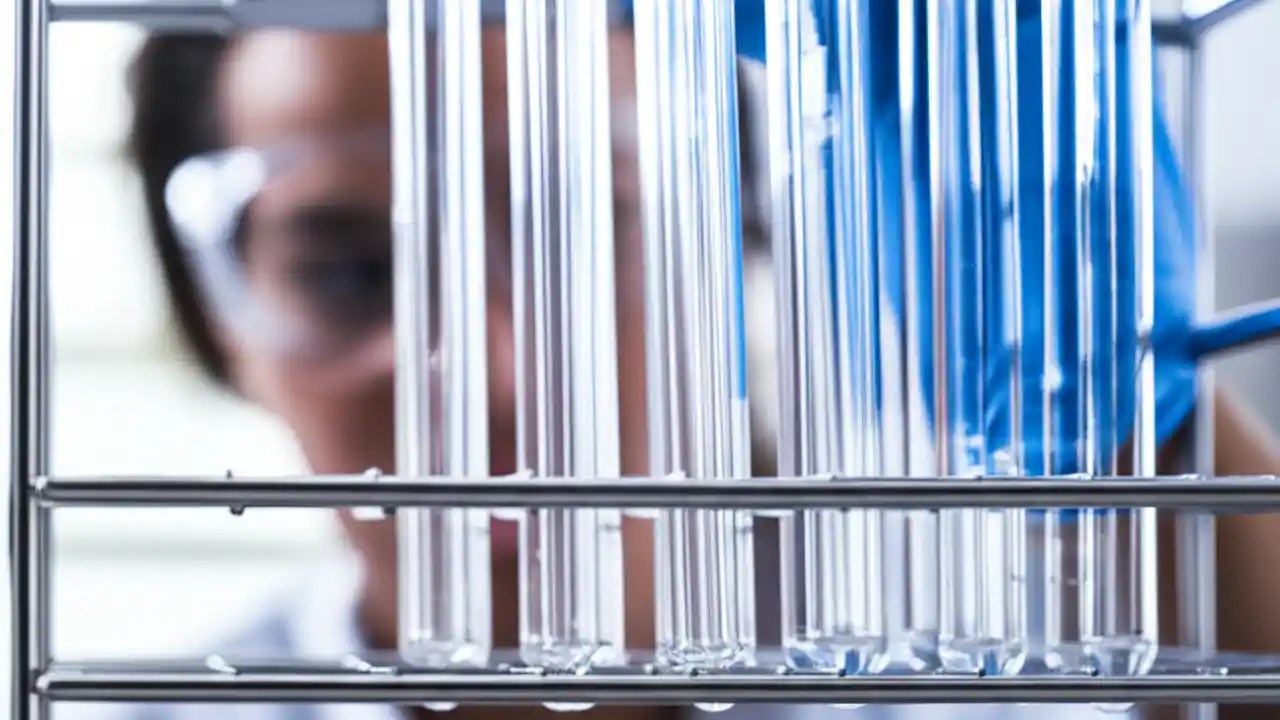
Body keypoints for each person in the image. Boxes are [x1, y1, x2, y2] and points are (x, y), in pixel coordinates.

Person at [65, 14, 1280, 720]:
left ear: (741, 243)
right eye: (350, 275)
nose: (490, 376)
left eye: (589, 239)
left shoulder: (975, 683)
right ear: (219, 317)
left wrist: (1131, 418)